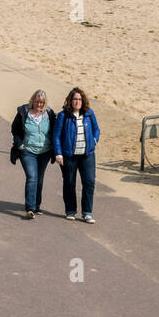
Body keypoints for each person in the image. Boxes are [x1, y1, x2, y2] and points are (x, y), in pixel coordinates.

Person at [52, 87, 100, 223]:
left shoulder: (89, 114)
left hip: (87, 155)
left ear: (83, 101)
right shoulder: (63, 116)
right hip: (69, 156)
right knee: (69, 183)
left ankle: (87, 213)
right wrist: (58, 153)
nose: (77, 102)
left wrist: (95, 140)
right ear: (70, 101)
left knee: (89, 182)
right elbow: (56, 136)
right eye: (75, 99)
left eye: (79, 99)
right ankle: (70, 211)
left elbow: (96, 129)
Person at [10, 90, 57, 219]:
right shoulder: (23, 112)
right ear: (32, 101)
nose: (39, 104)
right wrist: (19, 145)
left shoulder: (50, 114)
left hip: (45, 152)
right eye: (37, 101)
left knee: (39, 179)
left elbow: (55, 131)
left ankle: (36, 206)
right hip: (28, 151)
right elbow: (15, 129)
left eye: (42, 102)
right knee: (32, 177)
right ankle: (30, 208)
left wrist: (55, 148)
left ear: (45, 103)